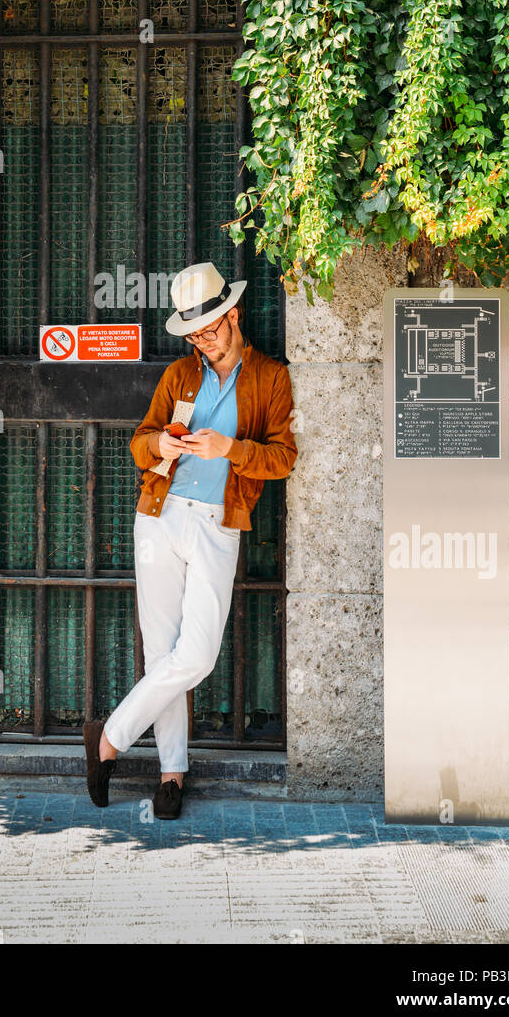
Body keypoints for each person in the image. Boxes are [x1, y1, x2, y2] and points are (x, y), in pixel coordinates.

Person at [83, 261, 297, 818]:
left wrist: (229, 450)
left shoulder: (270, 377)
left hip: (217, 523)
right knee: (161, 651)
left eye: (209, 329)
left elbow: (283, 457)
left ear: (233, 314)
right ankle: (171, 774)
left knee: (195, 654)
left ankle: (108, 738)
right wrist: (164, 448)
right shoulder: (180, 374)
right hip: (159, 515)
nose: (202, 341)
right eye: (193, 333)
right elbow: (139, 443)